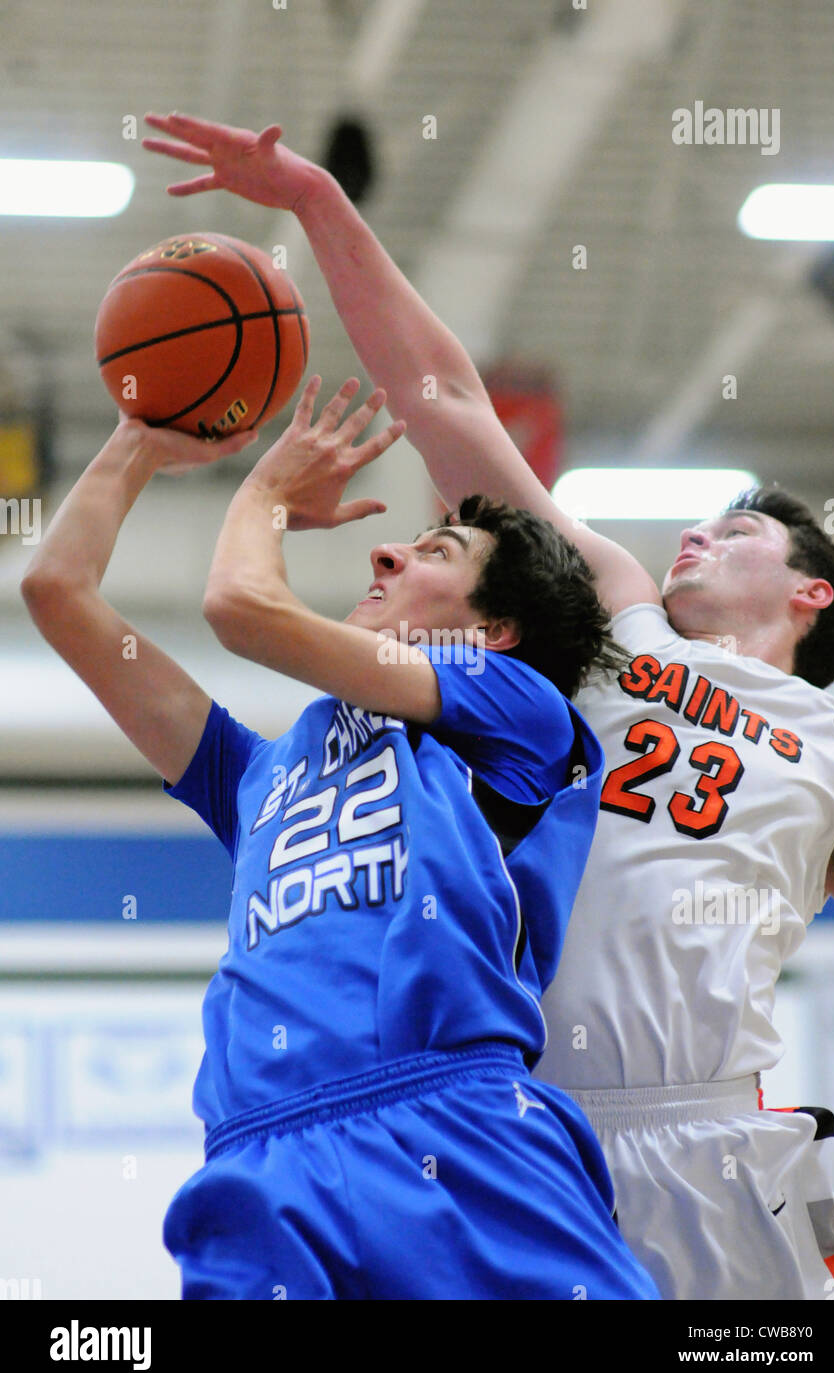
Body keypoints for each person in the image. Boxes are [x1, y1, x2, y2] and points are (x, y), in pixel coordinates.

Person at [141, 112, 834, 1300]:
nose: (693, 529)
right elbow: (446, 403)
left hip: (724, 1139)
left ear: (808, 591)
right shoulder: (608, 629)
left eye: (735, 529)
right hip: (527, 1127)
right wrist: (320, 204)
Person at [21, 375, 656, 1300]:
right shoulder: (254, 775)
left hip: (452, 1128)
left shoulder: (514, 711)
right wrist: (140, 438)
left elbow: (240, 608)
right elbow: (56, 591)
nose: (388, 552)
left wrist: (267, 495)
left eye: (433, 550)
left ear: (497, 631)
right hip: (259, 1161)